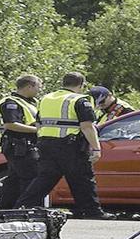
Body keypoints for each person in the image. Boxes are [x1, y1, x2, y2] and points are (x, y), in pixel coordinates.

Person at [14, 72, 117, 219]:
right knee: (83, 179)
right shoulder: (81, 100)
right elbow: (87, 126)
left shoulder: (46, 98)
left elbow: (38, 122)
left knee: (44, 179)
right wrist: (96, 148)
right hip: (70, 145)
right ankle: (91, 212)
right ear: (81, 85)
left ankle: (22, 207)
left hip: (46, 143)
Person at [0, 74, 42, 209]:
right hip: (18, 145)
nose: (39, 90)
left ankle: (5, 207)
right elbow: (10, 124)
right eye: (38, 87)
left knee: (14, 179)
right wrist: (38, 131)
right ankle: (27, 207)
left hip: (25, 145)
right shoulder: (11, 103)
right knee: (31, 177)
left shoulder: (30, 102)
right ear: (29, 86)